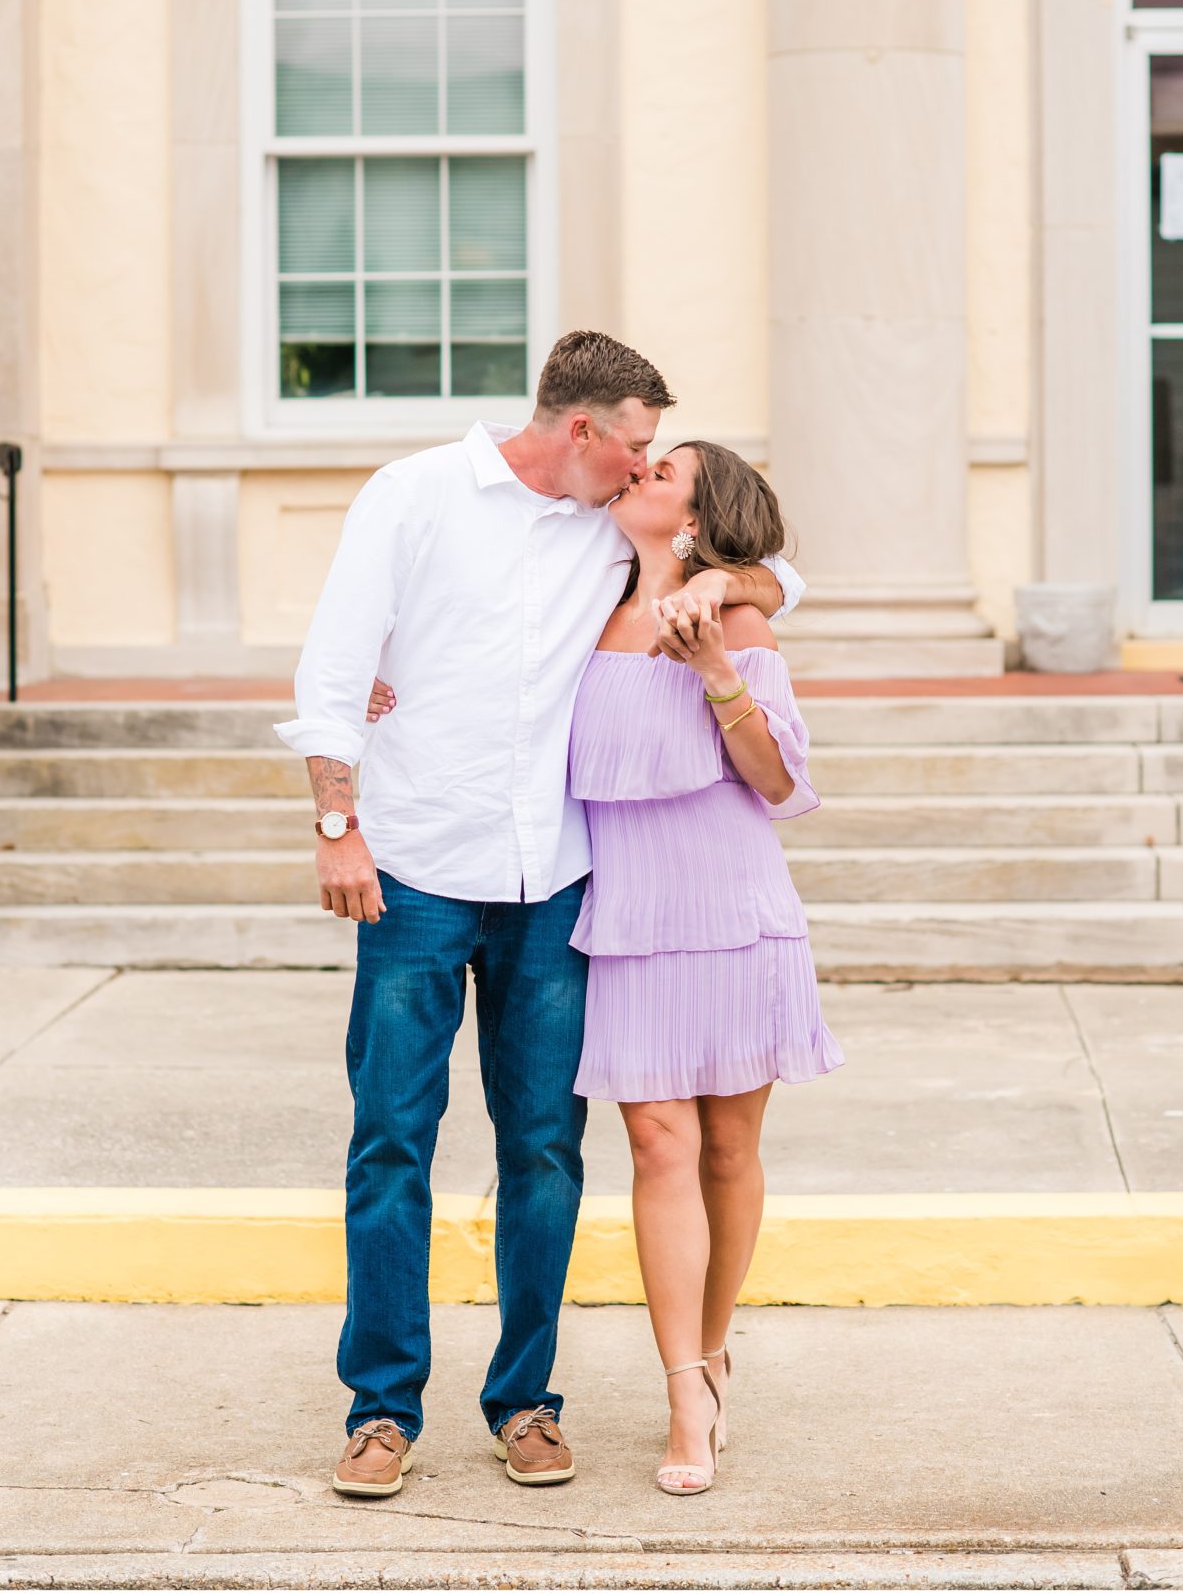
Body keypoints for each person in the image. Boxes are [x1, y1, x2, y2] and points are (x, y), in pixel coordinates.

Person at [273, 331, 805, 1497]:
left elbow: (768, 571)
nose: (644, 464)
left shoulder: (610, 526)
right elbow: (333, 669)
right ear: (582, 429)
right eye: (637, 443)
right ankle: (381, 1407)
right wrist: (337, 822)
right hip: (415, 868)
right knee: (391, 1140)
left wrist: (724, 583)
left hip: (556, 877)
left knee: (545, 1152)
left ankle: (525, 1401)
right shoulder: (412, 495)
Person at [567, 438, 843, 1495]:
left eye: (664, 471)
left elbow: (777, 780)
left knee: (728, 1148)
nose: (638, 472)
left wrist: (718, 670)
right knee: (656, 1141)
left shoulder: (739, 621)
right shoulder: (585, 607)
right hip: (628, 916)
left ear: (693, 519)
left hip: (732, 909)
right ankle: (685, 1387)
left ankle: (714, 1351)